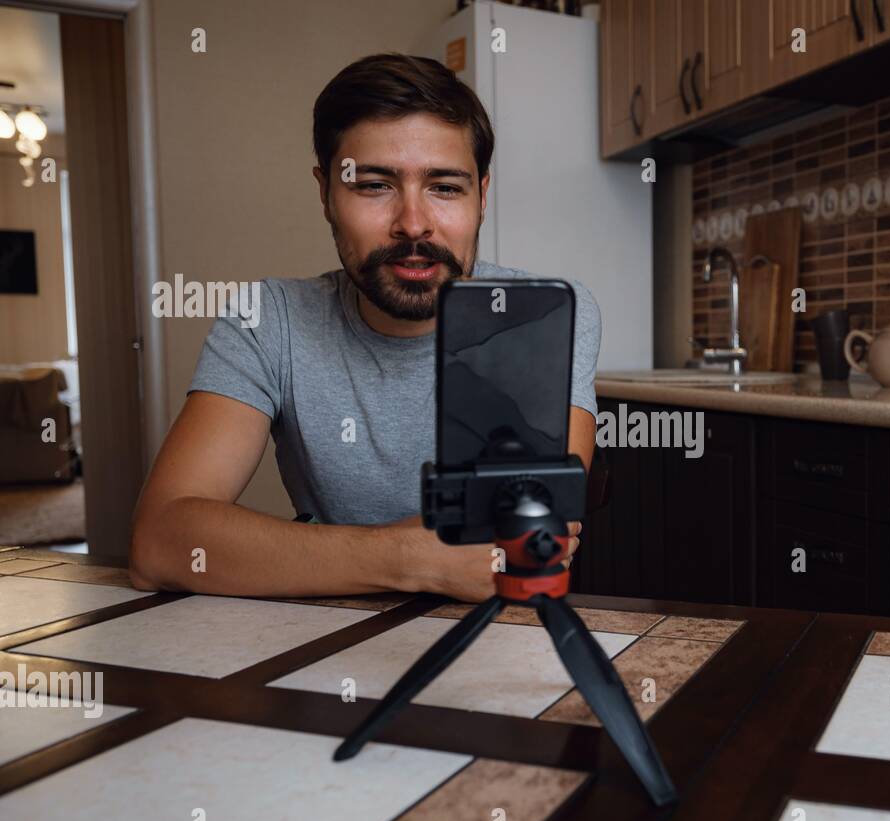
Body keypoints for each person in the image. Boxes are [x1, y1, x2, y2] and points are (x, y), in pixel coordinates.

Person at [128, 53, 598, 601]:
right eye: (374, 185)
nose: (414, 224)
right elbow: (160, 542)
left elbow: (523, 541)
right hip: (324, 646)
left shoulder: (542, 315)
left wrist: (319, 551)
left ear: (482, 197)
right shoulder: (265, 319)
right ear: (326, 193)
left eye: (445, 188)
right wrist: (412, 557)